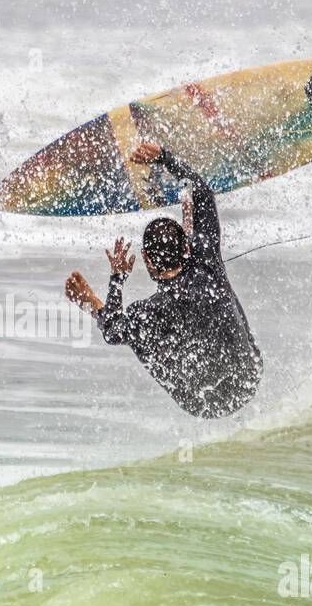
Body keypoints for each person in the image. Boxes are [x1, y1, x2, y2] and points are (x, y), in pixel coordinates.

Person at [64, 142, 262, 418]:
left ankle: (94, 305)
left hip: (204, 406)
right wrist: (164, 158)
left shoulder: (147, 311)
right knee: (206, 289)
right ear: (186, 246)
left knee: (131, 328)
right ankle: (185, 237)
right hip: (250, 380)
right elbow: (202, 191)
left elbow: (111, 333)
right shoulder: (206, 263)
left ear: (145, 258)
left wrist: (117, 279)